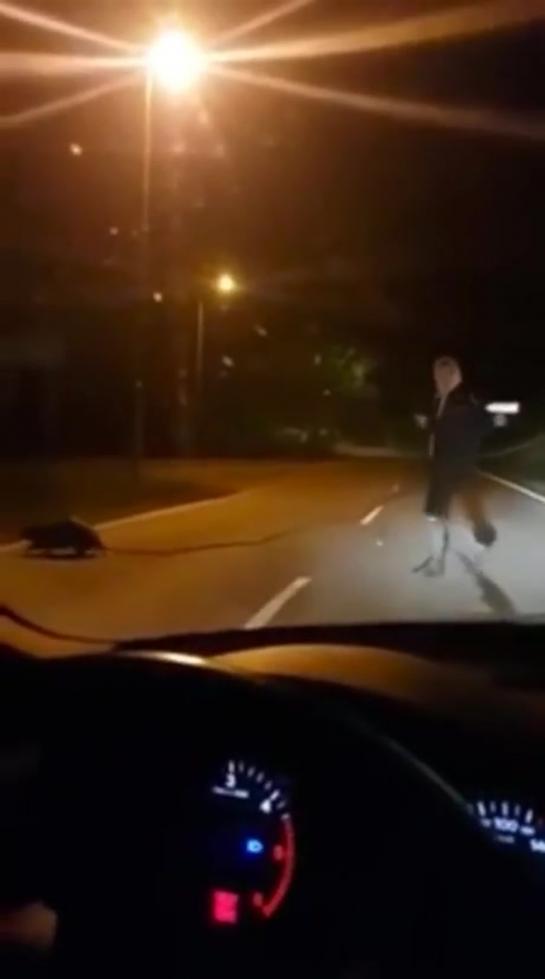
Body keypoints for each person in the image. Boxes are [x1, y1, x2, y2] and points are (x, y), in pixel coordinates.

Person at [415, 356, 497, 577]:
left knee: (442, 515)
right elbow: (480, 425)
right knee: (440, 515)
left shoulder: (463, 399)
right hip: (450, 464)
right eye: (438, 374)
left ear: (455, 374)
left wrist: (430, 424)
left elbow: (464, 425)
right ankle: (441, 560)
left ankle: (475, 549)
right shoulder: (441, 399)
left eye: (446, 373)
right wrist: (429, 424)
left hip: (454, 465)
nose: (441, 378)